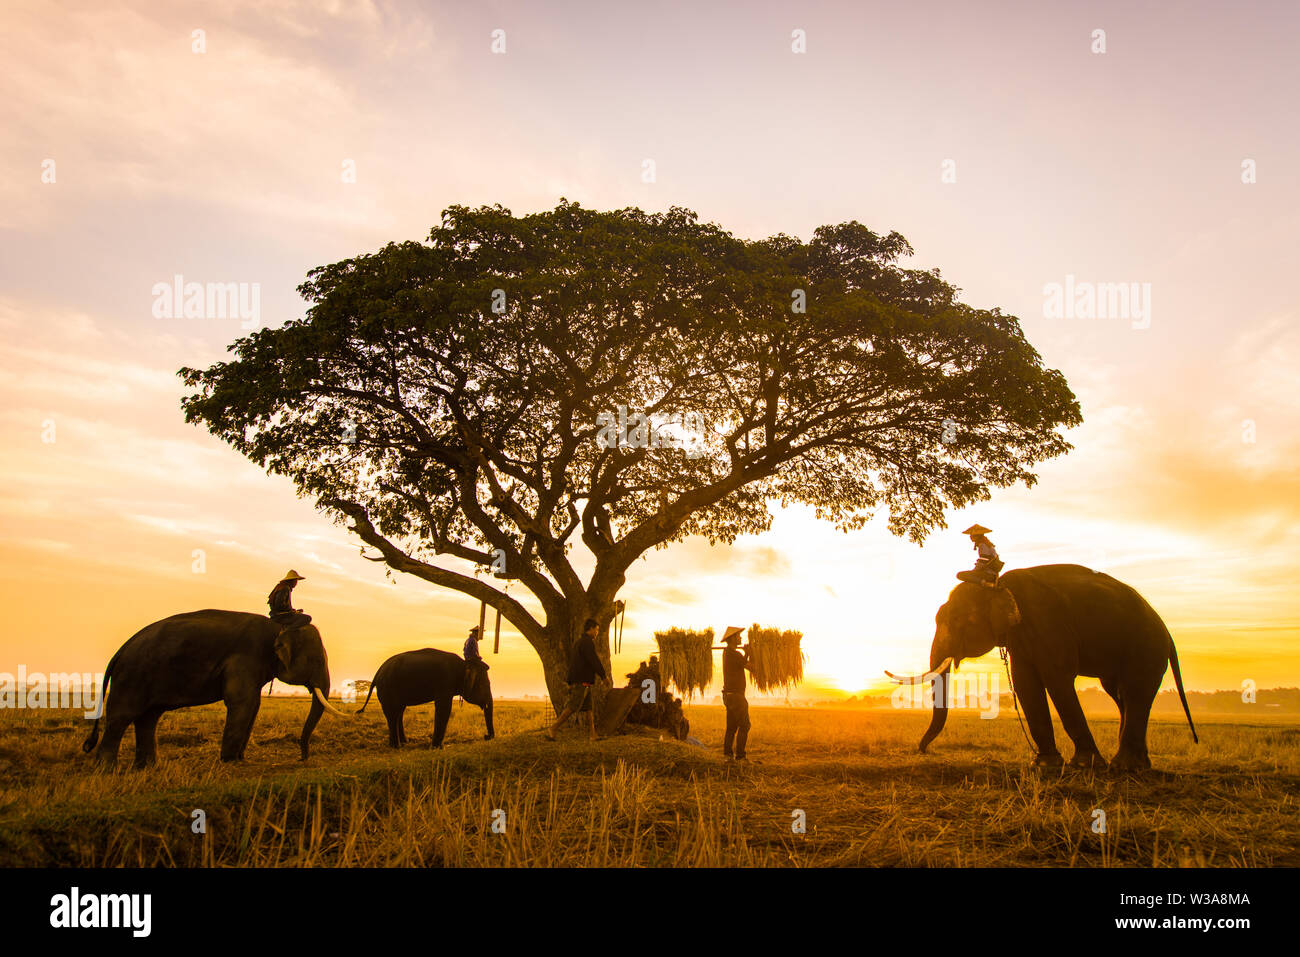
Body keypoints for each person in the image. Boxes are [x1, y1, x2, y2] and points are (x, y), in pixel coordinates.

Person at [546, 618, 607, 742]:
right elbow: (593, 660)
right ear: (590, 629)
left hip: (583, 680)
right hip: (582, 680)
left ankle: (592, 734)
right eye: (596, 630)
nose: (597, 633)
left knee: (589, 708)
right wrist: (603, 676)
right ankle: (553, 728)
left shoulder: (579, 642)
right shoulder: (587, 643)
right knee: (573, 706)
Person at [720, 626, 753, 761]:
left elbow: (741, 664)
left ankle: (728, 756)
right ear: (732, 638)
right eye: (738, 636)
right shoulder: (734, 654)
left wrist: (746, 653)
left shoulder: (727, 653)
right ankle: (740, 756)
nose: (740, 638)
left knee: (732, 727)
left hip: (729, 696)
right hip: (737, 697)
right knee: (745, 725)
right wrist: (750, 653)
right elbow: (751, 667)